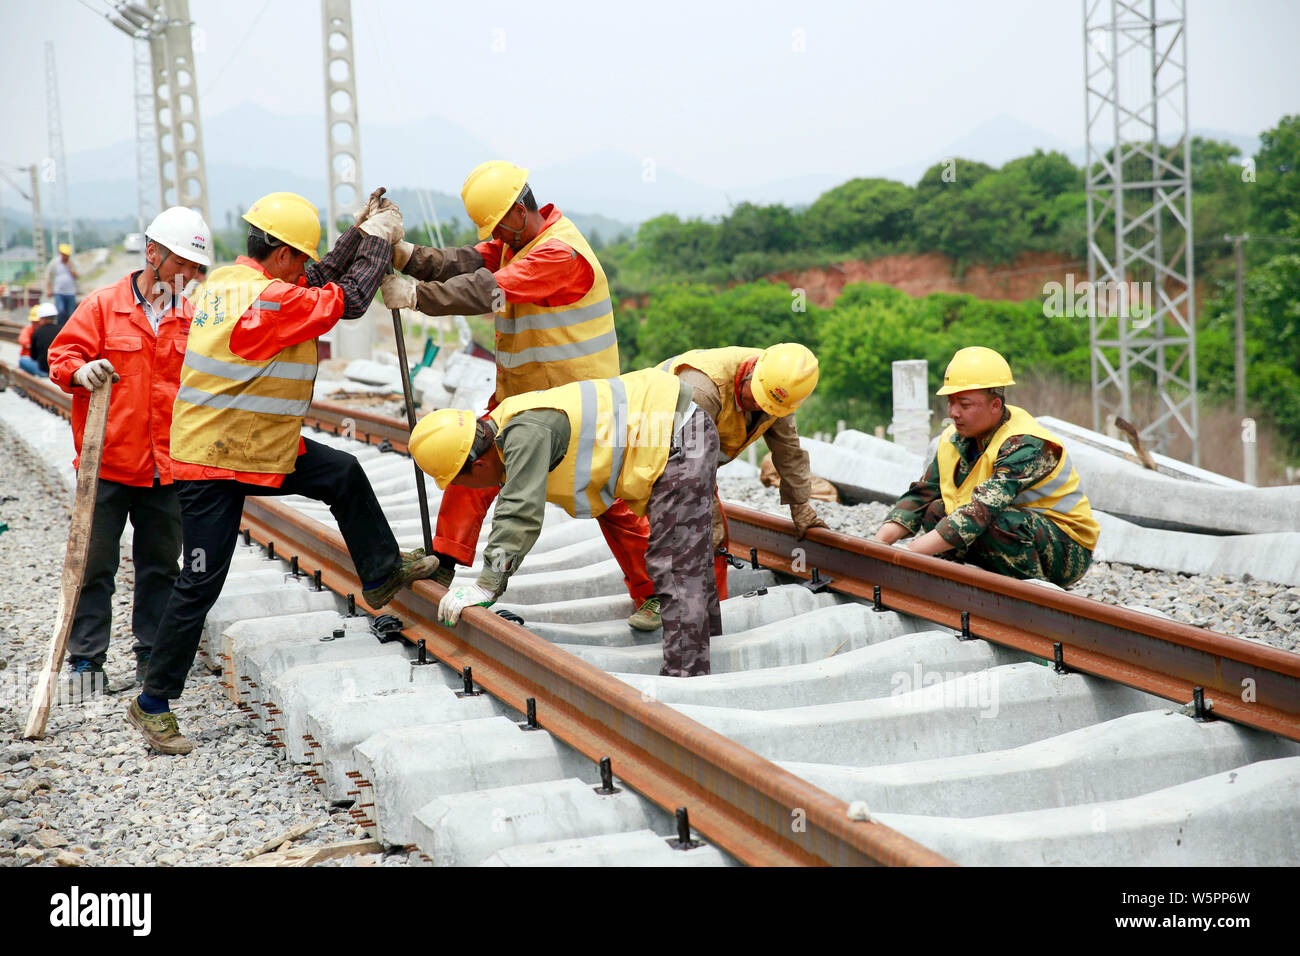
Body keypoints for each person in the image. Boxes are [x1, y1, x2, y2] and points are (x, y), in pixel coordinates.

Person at [127, 190, 438, 755]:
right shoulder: (267, 301)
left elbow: (318, 274)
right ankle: (152, 703)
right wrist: (376, 242)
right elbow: (346, 299)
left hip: (254, 445)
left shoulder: (229, 282)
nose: (303, 270)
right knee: (200, 580)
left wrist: (359, 232)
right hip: (213, 464)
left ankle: (382, 573)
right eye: (298, 258)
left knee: (342, 473)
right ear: (280, 255)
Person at [375, 162, 658, 629]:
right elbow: (463, 261)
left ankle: (658, 594)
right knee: (470, 456)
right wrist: (405, 255)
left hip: (582, 404)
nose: (494, 238)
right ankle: (445, 559)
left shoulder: (559, 255)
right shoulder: (517, 242)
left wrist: (416, 297)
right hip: (521, 397)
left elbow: (487, 289)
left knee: (611, 499)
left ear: (516, 213)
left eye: (495, 227)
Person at [409, 367, 721, 677]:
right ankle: (712, 645)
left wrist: (487, 584)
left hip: (679, 434)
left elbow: (519, 510)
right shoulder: (505, 428)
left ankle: (687, 674)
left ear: (479, 465)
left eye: (460, 482)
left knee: (675, 561)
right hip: (672, 432)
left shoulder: (525, 433)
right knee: (687, 555)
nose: (468, 490)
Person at [46, 207, 212, 696]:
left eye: (197, 268)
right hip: (108, 467)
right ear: (153, 253)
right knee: (94, 564)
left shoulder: (196, 314)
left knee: (161, 566)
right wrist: (79, 372)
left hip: (167, 467)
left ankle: (151, 656)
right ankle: (86, 660)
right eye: (182, 263)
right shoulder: (102, 307)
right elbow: (61, 356)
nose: (190, 275)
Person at [871, 346, 1099, 587]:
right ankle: (966, 584)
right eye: (950, 402)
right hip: (1011, 530)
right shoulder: (952, 439)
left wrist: (905, 555)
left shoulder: (1027, 443)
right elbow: (922, 494)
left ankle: (1027, 593)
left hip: (1066, 547)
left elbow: (982, 510)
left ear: (995, 405)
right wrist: (878, 546)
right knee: (936, 510)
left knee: (999, 522)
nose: (953, 412)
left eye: (965, 404)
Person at [658, 344, 825, 601]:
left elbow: (788, 451)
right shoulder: (702, 390)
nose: (760, 408)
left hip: (693, 461)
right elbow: (687, 469)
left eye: (768, 406)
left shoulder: (778, 390)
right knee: (675, 533)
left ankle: (712, 610)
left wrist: (800, 505)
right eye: (755, 399)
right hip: (651, 454)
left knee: (712, 542)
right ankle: (660, 604)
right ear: (751, 374)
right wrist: (707, 522)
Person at [18, 302, 57, 376]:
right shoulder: (61, 330)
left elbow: (34, 356)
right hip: (57, 371)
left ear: (42, 318)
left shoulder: (37, 333)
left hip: (43, 370)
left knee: (23, 360)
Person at [46, 243, 79, 325]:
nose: (65, 257)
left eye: (67, 255)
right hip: (59, 292)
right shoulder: (55, 263)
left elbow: (77, 276)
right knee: (60, 311)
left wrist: (70, 268)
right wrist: (49, 289)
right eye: (64, 255)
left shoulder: (72, 263)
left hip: (70, 292)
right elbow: (48, 276)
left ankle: (70, 330)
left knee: (71, 314)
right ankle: (60, 329)